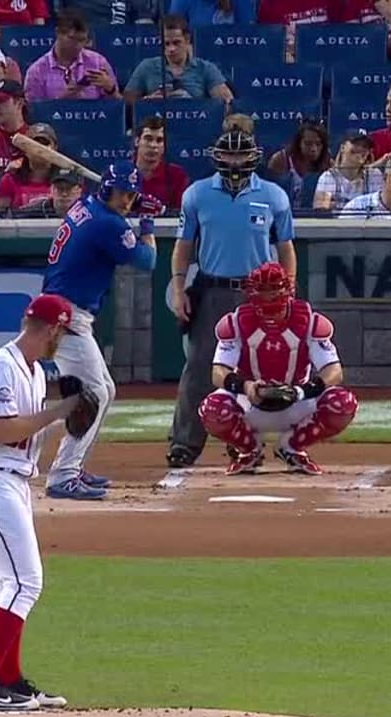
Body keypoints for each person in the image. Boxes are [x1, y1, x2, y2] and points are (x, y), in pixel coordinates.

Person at [0, 293, 81, 713]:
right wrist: (59, 412)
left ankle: (8, 680)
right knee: (26, 582)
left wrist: (64, 412)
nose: (62, 340)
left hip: (12, 485)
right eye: (62, 332)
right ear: (49, 329)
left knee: (10, 582)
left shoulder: (33, 371)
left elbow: (26, 429)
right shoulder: (1, 366)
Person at [166, 128, 296, 469]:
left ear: (252, 156)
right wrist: (179, 288)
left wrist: (289, 289)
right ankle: (184, 443)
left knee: (253, 369)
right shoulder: (197, 194)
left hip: (260, 294)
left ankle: (243, 443)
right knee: (199, 368)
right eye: (229, 155)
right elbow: (183, 246)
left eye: (241, 155)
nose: (235, 161)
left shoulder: (273, 196)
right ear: (217, 156)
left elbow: (285, 247)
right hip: (213, 288)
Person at [40, 162, 159, 499]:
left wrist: (134, 210)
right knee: (94, 395)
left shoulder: (87, 207)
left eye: (131, 194)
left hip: (65, 309)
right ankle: (62, 476)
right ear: (106, 189)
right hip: (65, 314)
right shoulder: (107, 222)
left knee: (104, 389)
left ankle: (72, 468)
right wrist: (147, 223)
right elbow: (147, 261)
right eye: (122, 193)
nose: (126, 200)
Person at [197, 262, 358, 475]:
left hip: (296, 400)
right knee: (212, 408)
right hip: (252, 401)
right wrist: (247, 386)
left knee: (342, 403)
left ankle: (291, 446)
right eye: (262, 291)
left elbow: (334, 371)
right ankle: (249, 449)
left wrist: (301, 391)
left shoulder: (309, 321)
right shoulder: (236, 322)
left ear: (286, 290)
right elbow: (218, 373)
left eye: (273, 291)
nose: (268, 297)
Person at [123, 14, 233, 105]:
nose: (171, 49)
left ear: (187, 39)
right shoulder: (146, 66)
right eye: (166, 44)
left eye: (176, 43)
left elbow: (226, 102)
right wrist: (147, 101)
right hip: (157, 126)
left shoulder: (205, 68)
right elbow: (126, 103)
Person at [23, 11, 118, 101]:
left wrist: (111, 89)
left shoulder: (98, 62)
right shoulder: (36, 71)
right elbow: (32, 113)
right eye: (72, 38)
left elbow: (118, 108)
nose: (77, 45)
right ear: (57, 33)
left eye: (82, 40)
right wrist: (62, 102)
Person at [313, 133, 383, 211]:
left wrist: (336, 204)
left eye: (365, 146)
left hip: (367, 222)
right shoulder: (328, 177)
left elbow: (380, 207)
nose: (361, 149)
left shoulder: (374, 175)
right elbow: (320, 209)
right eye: (356, 144)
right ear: (343, 147)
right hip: (337, 222)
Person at [133, 116, 190, 210]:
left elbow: (180, 216)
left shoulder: (177, 176)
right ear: (137, 141)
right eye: (148, 139)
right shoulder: (121, 172)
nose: (153, 145)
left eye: (159, 140)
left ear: (164, 146)